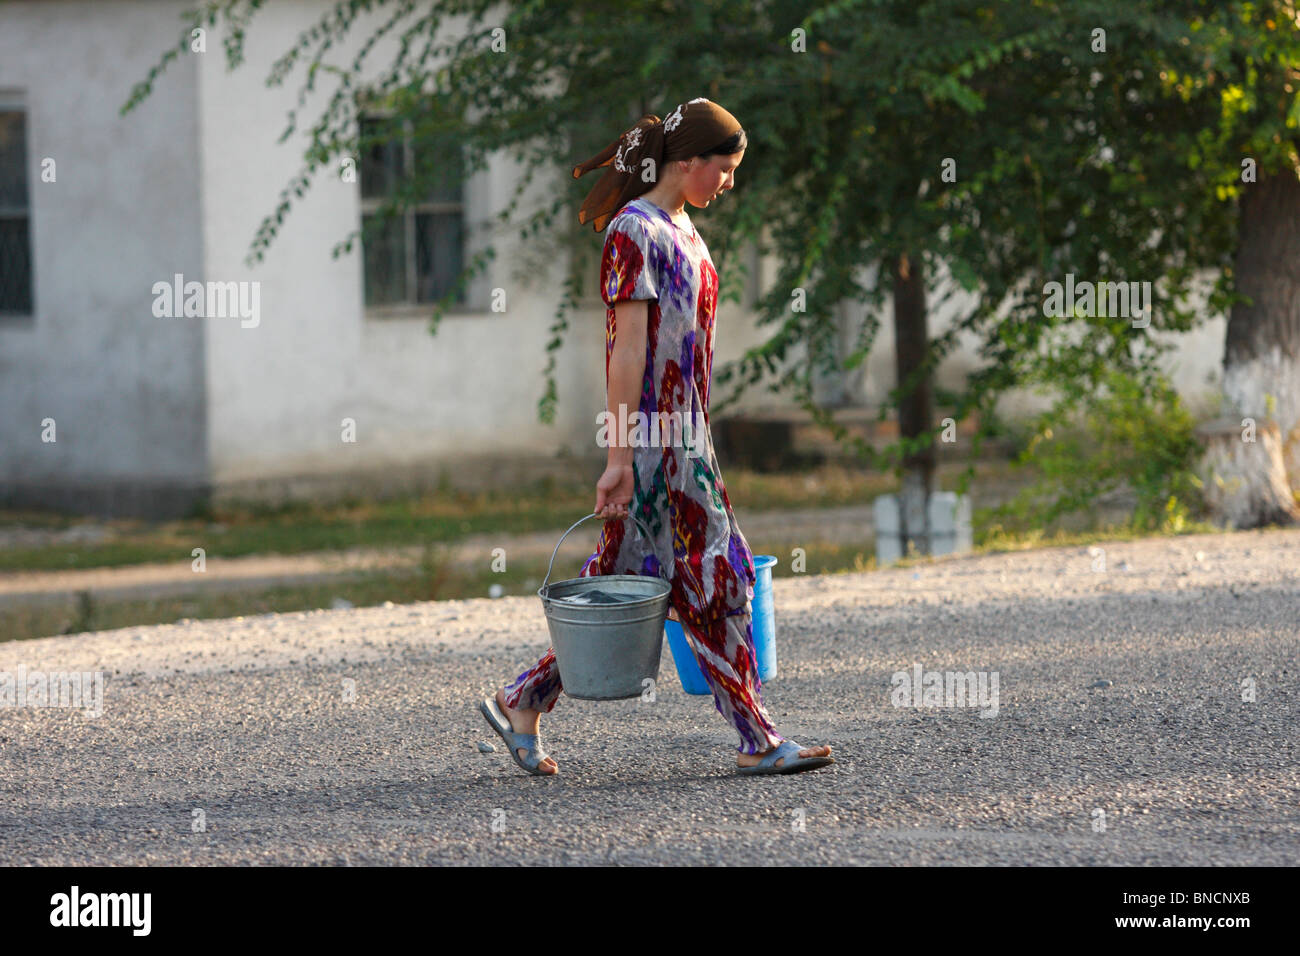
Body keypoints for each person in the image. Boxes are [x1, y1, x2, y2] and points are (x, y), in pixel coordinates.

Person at [479, 98, 833, 776]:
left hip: (686, 435)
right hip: (654, 442)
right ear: (689, 161)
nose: (728, 182)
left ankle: (521, 698)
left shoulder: (686, 230)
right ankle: (757, 739)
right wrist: (620, 456)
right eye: (724, 169)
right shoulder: (633, 231)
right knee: (717, 574)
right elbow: (626, 350)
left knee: (634, 582)